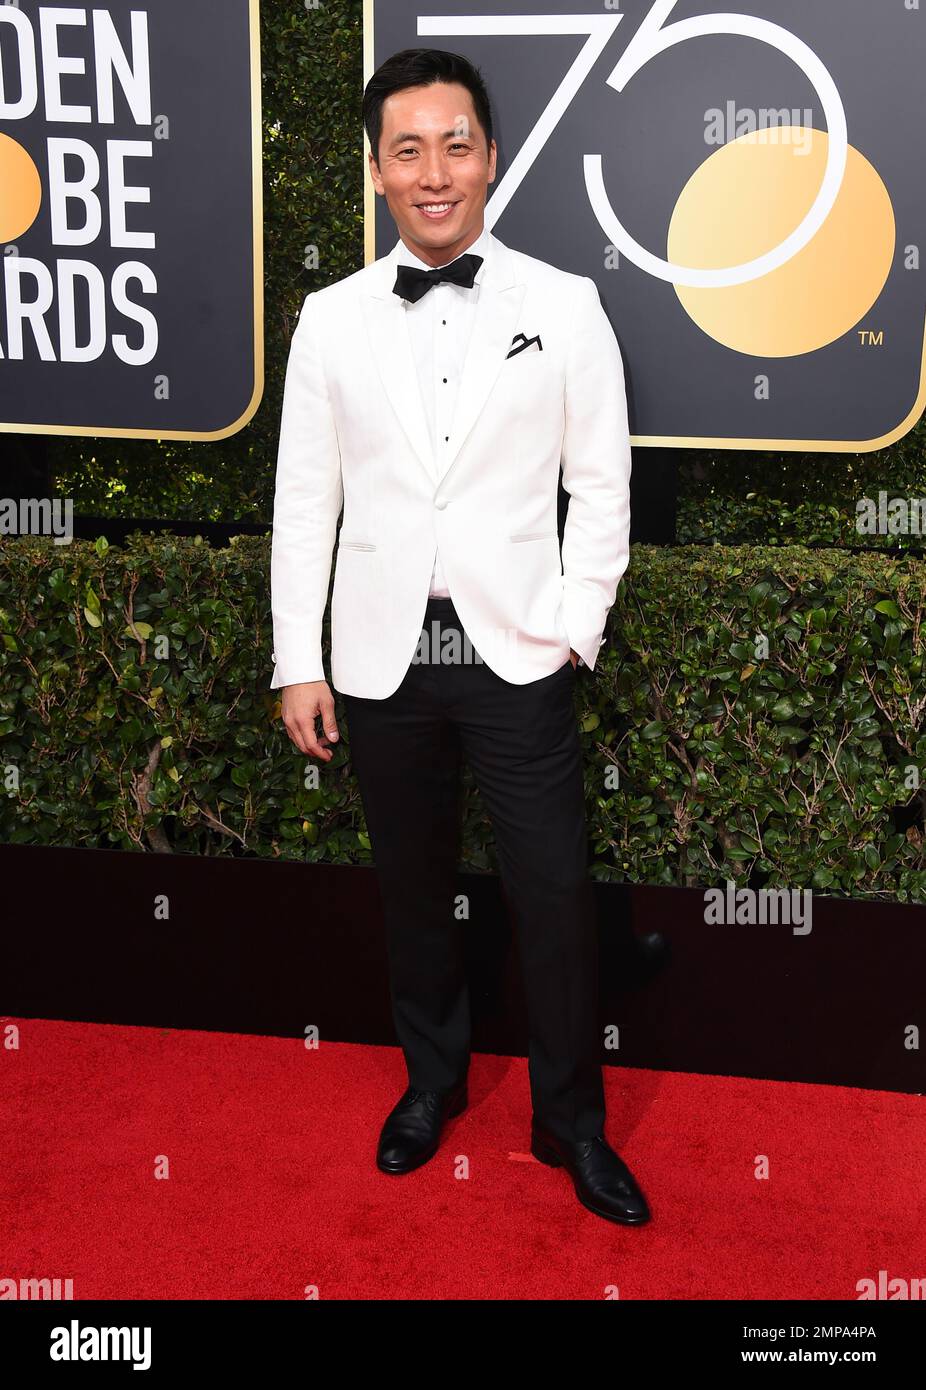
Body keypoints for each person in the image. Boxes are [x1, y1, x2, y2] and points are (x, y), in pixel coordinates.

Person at [269, 47, 648, 1225]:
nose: (433, 172)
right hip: (382, 657)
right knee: (411, 890)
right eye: (406, 149)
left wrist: (573, 625)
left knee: (551, 892)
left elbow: (601, 480)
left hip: (516, 652)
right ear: (378, 170)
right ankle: (429, 1087)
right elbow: (303, 501)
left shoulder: (563, 304)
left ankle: (569, 1124)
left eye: (455, 144)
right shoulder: (329, 321)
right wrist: (299, 658)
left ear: (488, 154)